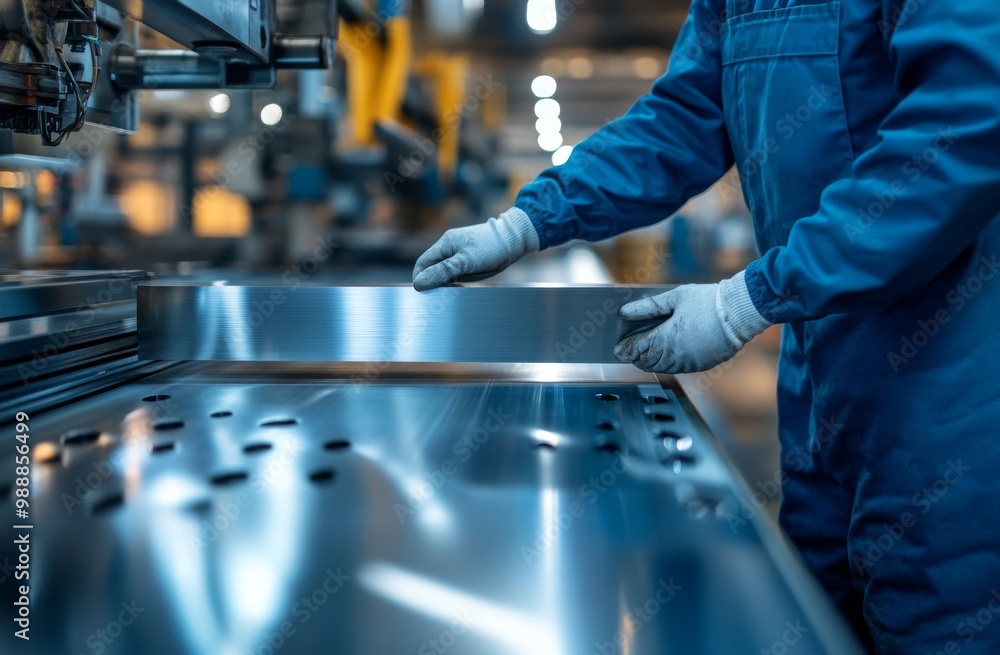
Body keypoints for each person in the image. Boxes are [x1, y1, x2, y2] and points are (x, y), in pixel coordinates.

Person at [412, 1, 1000, 652]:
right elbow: (684, 120)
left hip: (949, 378)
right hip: (820, 367)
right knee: (818, 617)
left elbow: (967, 118)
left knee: (940, 619)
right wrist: (529, 220)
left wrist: (749, 297)